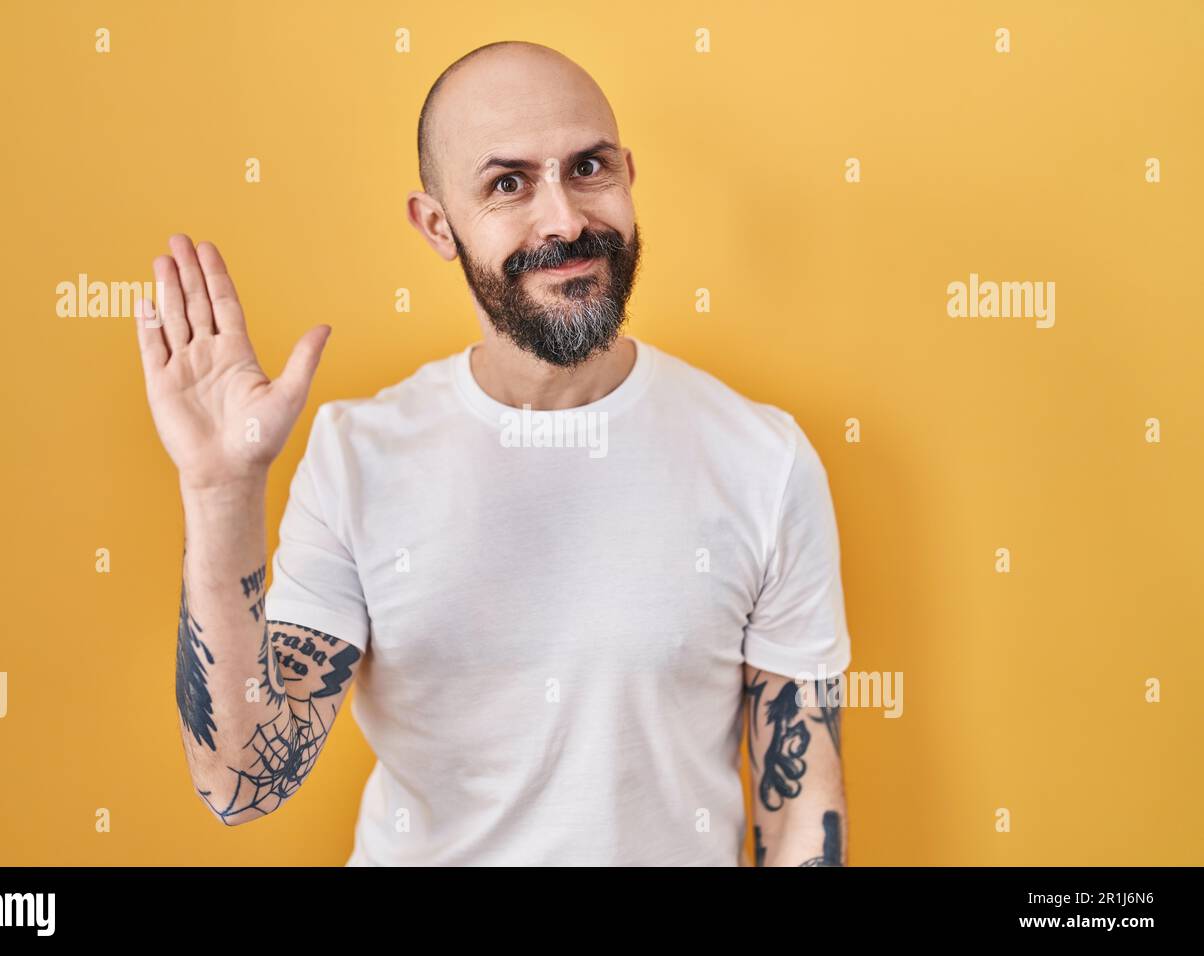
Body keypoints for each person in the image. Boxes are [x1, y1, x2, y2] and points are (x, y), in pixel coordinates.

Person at [135, 40, 851, 866]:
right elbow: (242, 782)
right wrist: (221, 491)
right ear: (437, 225)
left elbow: (801, 812)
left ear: (627, 175)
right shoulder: (356, 456)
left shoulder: (763, 460)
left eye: (589, 168)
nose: (565, 221)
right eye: (508, 183)